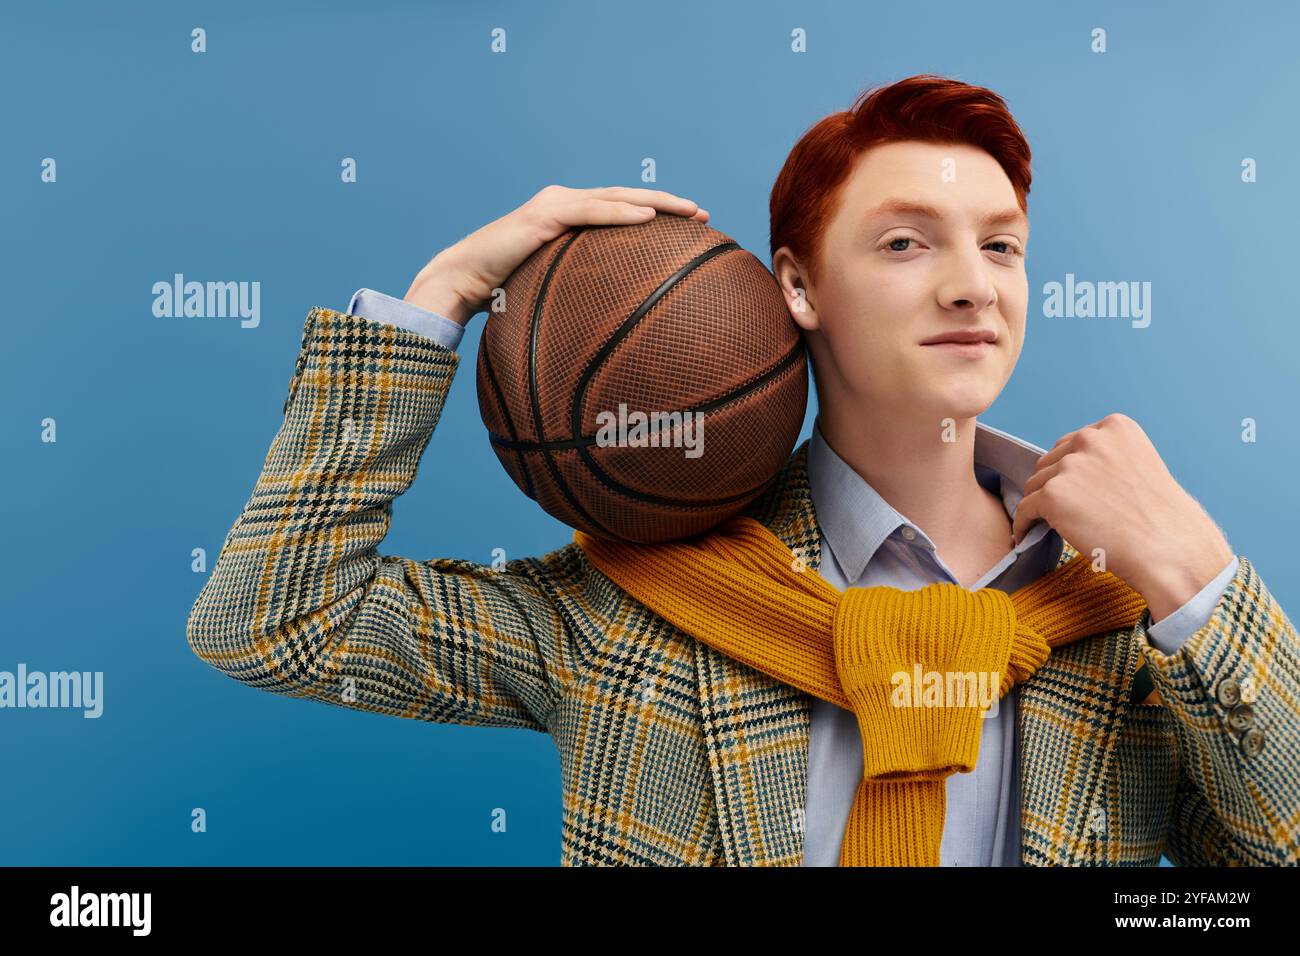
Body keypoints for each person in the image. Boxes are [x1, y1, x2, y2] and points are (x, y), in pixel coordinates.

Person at [186, 74, 1299, 866]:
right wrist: (442, 293)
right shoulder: (633, 601)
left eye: (1000, 244)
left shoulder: (1127, 610)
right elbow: (274, 620)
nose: (974, 286)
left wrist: (1200, 580)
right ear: (798, 287)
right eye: (905, 243)